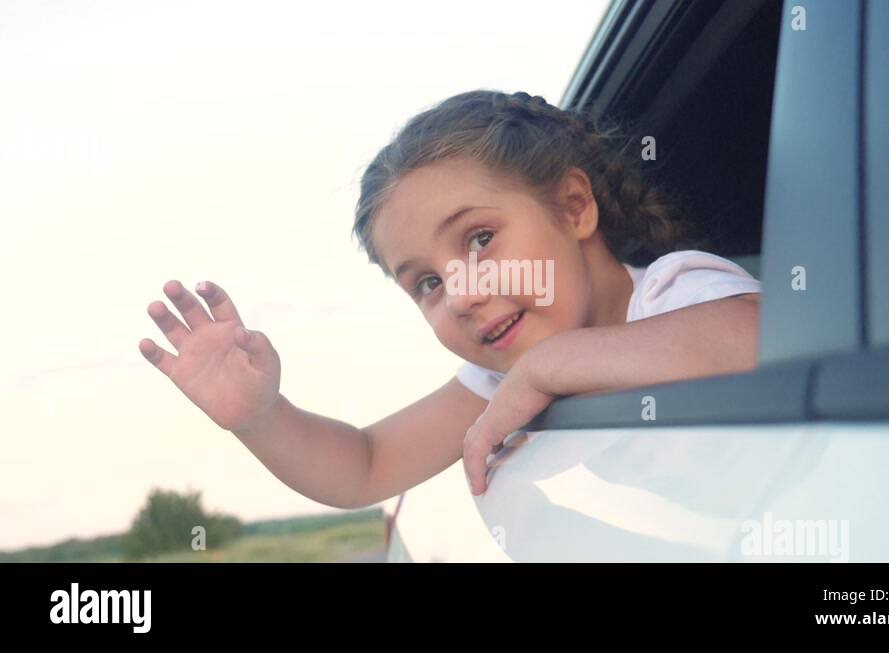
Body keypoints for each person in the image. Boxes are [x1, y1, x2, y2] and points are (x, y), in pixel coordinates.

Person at [138, 89, 761, 505]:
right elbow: (366, 464)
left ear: (574, 207)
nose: (461, 295)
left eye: (480, 238)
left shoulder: (672, 291)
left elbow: (765, 335)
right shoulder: (499, 378)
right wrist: (262, 419)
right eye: (427, 283)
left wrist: (550, 367)